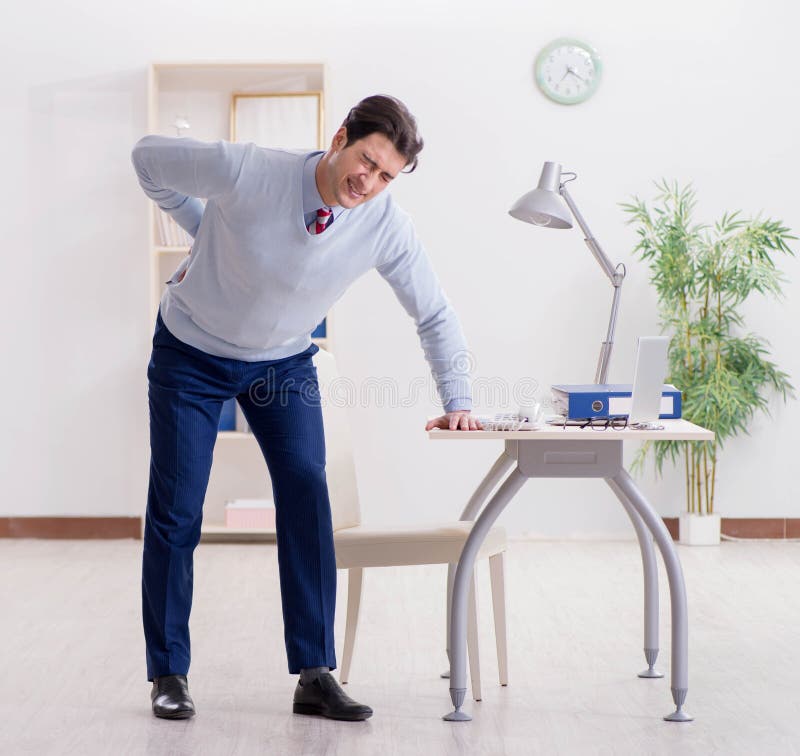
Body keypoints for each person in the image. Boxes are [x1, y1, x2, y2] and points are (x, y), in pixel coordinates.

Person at [131, 94, 480, 723]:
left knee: (306, 494)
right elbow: (146, 159)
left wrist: (459, 400)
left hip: (283, 362)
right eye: (366, 161)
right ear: (341, 135)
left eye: (384, 176)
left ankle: (315, 673)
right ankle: (168, 672)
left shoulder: (385, 224)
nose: (367, 183)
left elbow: (434, 313)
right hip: (192, 353)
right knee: (178, 507)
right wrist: (203, 224)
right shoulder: (250, 169)